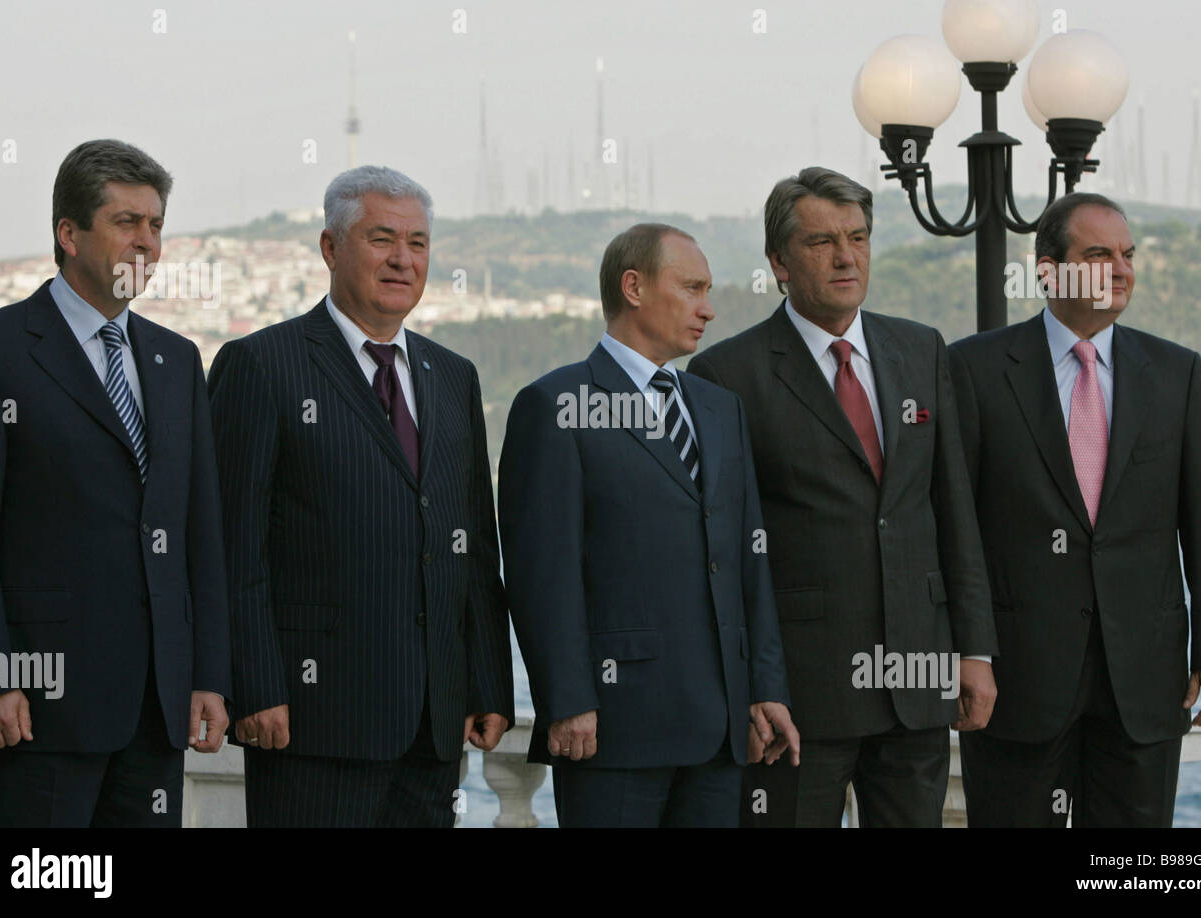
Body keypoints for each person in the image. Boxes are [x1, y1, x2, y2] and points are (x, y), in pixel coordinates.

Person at [689, 168, 997, 827]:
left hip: (917, 681)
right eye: (822, 241)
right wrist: (746, 686)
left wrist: (974, 651)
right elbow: (721, 553)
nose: (845, 256)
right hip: (799, 696)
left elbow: (953, 514)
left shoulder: (922, 350)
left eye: (858, 237)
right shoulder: (727, 374)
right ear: (778, 261)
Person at [207, 165, 513, 827]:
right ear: (329, 248)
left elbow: (473, 549)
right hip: (311, 725)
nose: (403, 259)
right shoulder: (261, 365)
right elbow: (233, 549)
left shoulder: (453, 377)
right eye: (382, 239)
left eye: (419, 243)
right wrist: (254, 686)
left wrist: (487, 682)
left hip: (432, 731)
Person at [947, 192, 1201, 827]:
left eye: (1128, 254)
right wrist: (967, 651)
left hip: (1144, 679)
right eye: (1098, 254)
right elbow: (956, 527)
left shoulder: (1175, 372)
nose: (1120, 269)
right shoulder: (973, 368)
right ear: (1049, 269)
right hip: (1015, 682)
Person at [0, 139, 231, 826]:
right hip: (37, 712)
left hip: (157, 710)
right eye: (127, 222)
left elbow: (201, 536)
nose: (147, 242)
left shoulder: (177, 360)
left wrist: (207, 676)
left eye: (156, 225)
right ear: (69, 234)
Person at [499, 223, 798, 827]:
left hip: (720, 734)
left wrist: (764, 688)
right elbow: (541, 575)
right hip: (612, 730)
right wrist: (567, 702)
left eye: (709, 291)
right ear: (633, 287)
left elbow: (748, 561)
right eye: (691, 288)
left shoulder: (719, 409)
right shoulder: (554, 404)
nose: (709, 309)